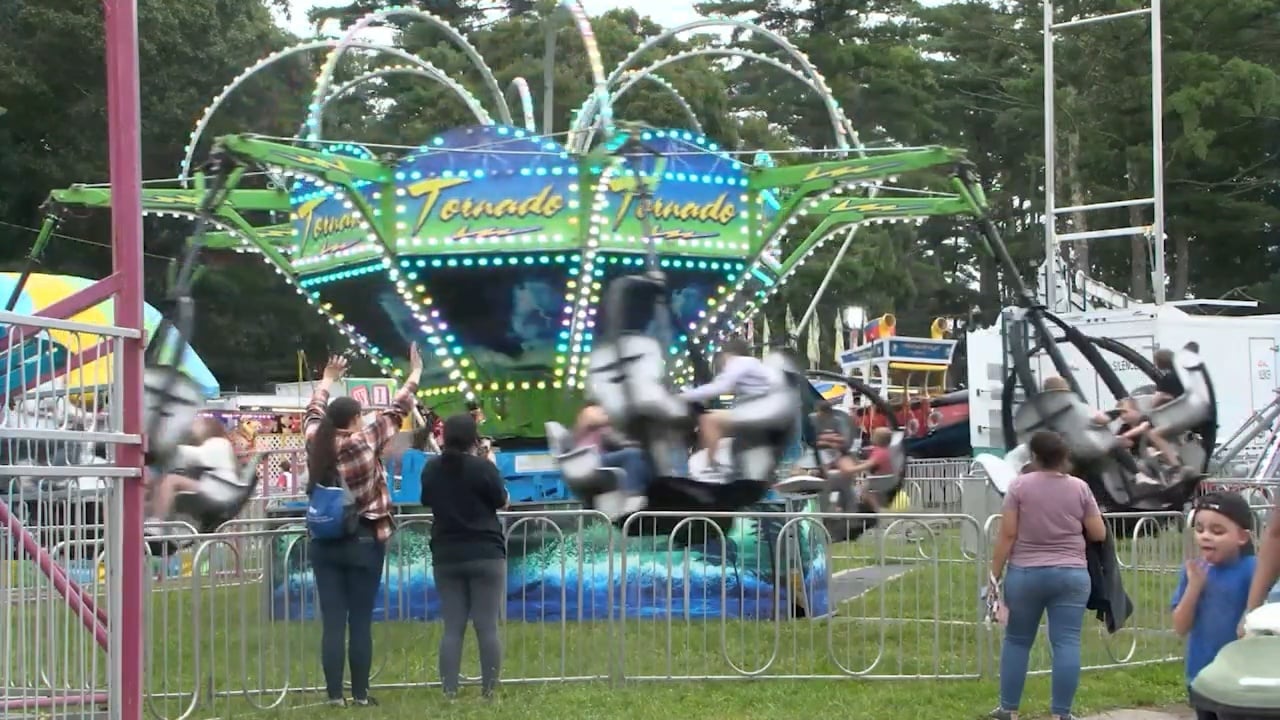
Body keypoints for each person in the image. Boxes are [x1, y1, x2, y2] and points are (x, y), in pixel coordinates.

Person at [305, 345, 422, 707]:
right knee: (359, 620)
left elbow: (312, 412)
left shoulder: (315, 440)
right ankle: (359, 695)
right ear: (356, 419)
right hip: (365, 538)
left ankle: (334, 696)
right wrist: (415, 371)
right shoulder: (363, 441)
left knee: (333, 622)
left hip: (324, 540)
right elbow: (397, 408)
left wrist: (327, 379)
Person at [988, 430, 1108, 720]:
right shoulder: (1080, 488)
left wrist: (994, 574)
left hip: (1026, 573)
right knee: (1066, 642)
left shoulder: (1018, 487)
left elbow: (1008, 534)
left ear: (1034, 456)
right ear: (1065, 457)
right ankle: (1061, 714)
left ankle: (1009, 709)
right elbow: (1098, 532)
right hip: (1071, 574)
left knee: (1017, 640)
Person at [420, 413, 509, 699]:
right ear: (473, 438)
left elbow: (426, 499)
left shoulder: (432, 469)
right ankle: (490, 690)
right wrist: (491, 463)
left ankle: (449, 691)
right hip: (485, 551)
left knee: (453, 626)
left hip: (446, 552)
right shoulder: (483, 468)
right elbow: (503, 501)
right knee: (486, 625)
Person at [1172, 492, 1257, 720]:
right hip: (1202, 677)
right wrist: (1194, 587)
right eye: (1200, 529)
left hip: (1241, 680)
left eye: (1217, 531)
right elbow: (1180, 627)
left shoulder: (1253, 571)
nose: (1205, 537)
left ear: (1242, 536)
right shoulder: (1193, 570)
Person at [679, 338, 774, 477]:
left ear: (729, 354)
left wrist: (683, 396)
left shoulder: (740, 362)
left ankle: (712, 467)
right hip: (761, 415)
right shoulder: (754, 366)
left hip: (760, 417)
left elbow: (719, 387)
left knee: (708, 420)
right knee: (710, 416)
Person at [145, 417, 241, 528]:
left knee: (170, 481)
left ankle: (156, 523)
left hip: (219, 489)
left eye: (198, 424)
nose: (193, 426)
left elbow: (194, 455)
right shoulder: (214, 444)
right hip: (215, 486)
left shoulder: (219, 442)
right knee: (160, 487)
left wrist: (167, 449)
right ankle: (148, 518)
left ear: (208, 428)